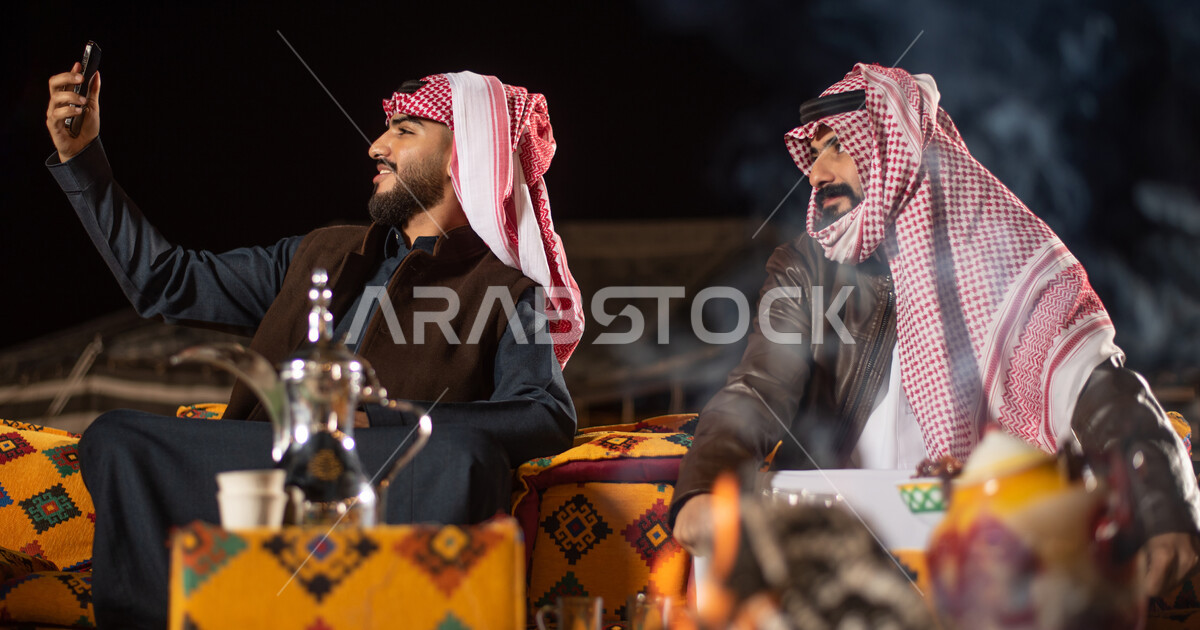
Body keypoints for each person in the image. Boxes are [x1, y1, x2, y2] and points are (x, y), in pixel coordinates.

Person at [45, 63, 583, 629]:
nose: (377, 145)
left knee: (463, 459)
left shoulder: (505, 289)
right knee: (118, 438)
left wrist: (383, 422)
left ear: (463, 155)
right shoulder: (319, 252)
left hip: (383, 476)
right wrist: (85, 162)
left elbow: (546, 413)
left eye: (404, 131)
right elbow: (166, 281)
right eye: (386, 129)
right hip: (266, 462)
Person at [670, 63, 1200, 597]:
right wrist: (704, 486)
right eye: (813, 153)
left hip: (988, 534)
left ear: (890, 146)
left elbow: (1098, 384)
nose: (817, 173)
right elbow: (759, 388)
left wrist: (1161, 500)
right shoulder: (807, 267)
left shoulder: (1000, 246)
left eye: (838, 148)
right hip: (846, 545)